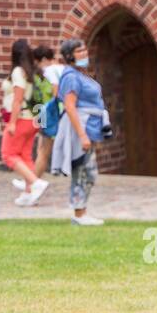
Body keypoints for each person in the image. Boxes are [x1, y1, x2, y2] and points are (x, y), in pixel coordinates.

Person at [51, 38, 107, 226]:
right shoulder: (71, 77)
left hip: (89, 127)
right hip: (79, 129)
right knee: (82, 171)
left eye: (84, 50)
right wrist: (82, 135)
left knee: (89, 172)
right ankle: (79, 213)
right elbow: (70, 106)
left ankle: (82, 211)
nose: (84, 53)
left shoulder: (80, 74)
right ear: (69, 56)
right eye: (79, 51)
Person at [2, 39, 49, 206]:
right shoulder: (33, 71)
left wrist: (12, 123)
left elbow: (17, 99)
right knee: (25, 156)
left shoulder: (18, 72)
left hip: (21, 118)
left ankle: (35, 183)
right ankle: (29, 194)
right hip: (33, 120)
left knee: (8, 155)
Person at [31, 45, 63, 180]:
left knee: (43, 150)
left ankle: (33, 182)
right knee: (42, 149)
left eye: (36, 62)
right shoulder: (60, 68)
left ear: (43, 59)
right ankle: (33, 179)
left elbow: (56, 91)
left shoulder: (49, 70)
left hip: (52, 113)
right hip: (55, 112)